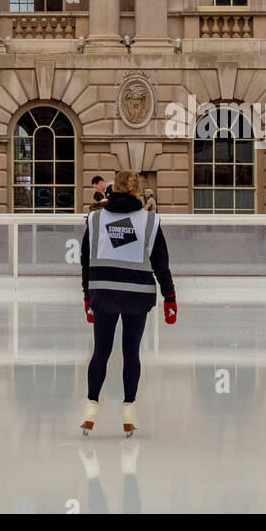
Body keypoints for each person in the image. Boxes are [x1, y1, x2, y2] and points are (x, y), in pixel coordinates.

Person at [80, 170, 177, 438]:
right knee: (131, 352)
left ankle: (90, 410)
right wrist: (170, 298)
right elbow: (161, 264)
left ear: (114, 189)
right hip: (137, 295)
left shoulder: (96, 219)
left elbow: (86, 261)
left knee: (101, 351)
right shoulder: (149, 222)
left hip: (103, 294)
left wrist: (87, 296)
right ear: (136, 192)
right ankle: (128, 412)